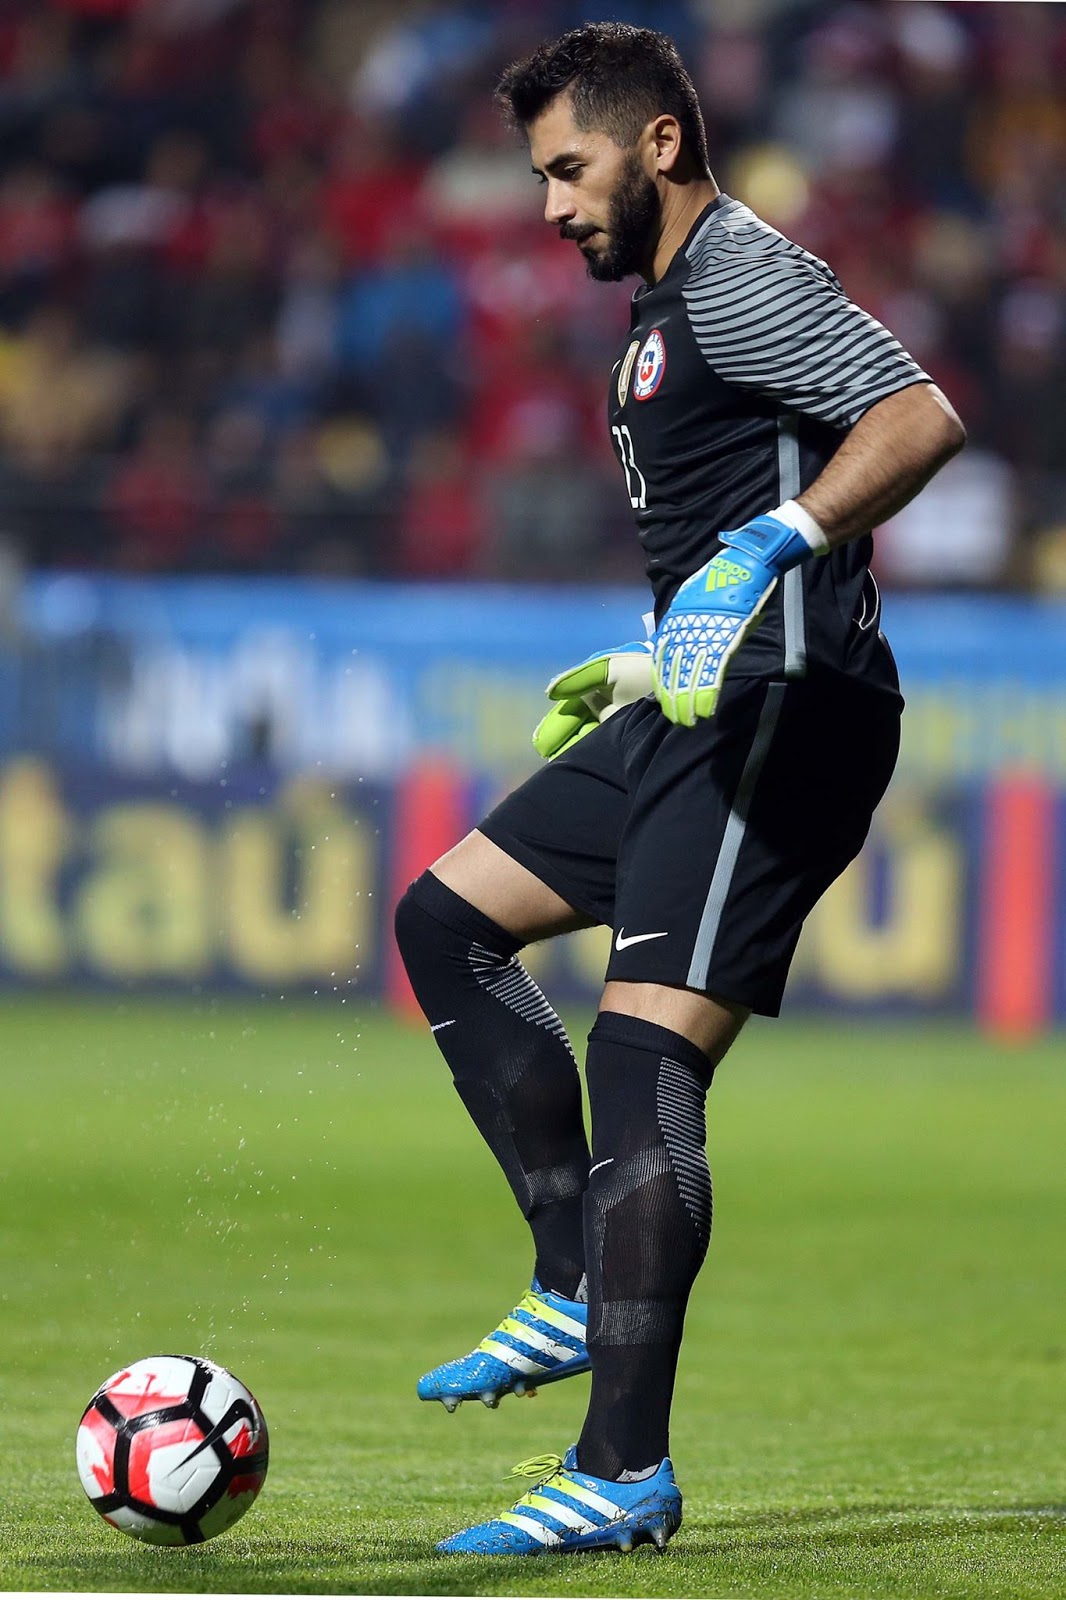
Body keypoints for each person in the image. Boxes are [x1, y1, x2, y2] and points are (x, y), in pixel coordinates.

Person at [394, 21, 965, 1558]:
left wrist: (777, 547)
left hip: (789, 714)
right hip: (699, 705)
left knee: (641, 1062)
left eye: (566, 167)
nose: (546, 204)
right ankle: (571, 1276)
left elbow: (917, 419)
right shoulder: (664, 308)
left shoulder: (744, 275)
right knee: (444, 917)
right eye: (536, 176)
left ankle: (619, 1471)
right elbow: (723, 516)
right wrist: (651, 657)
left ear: (656, 144)